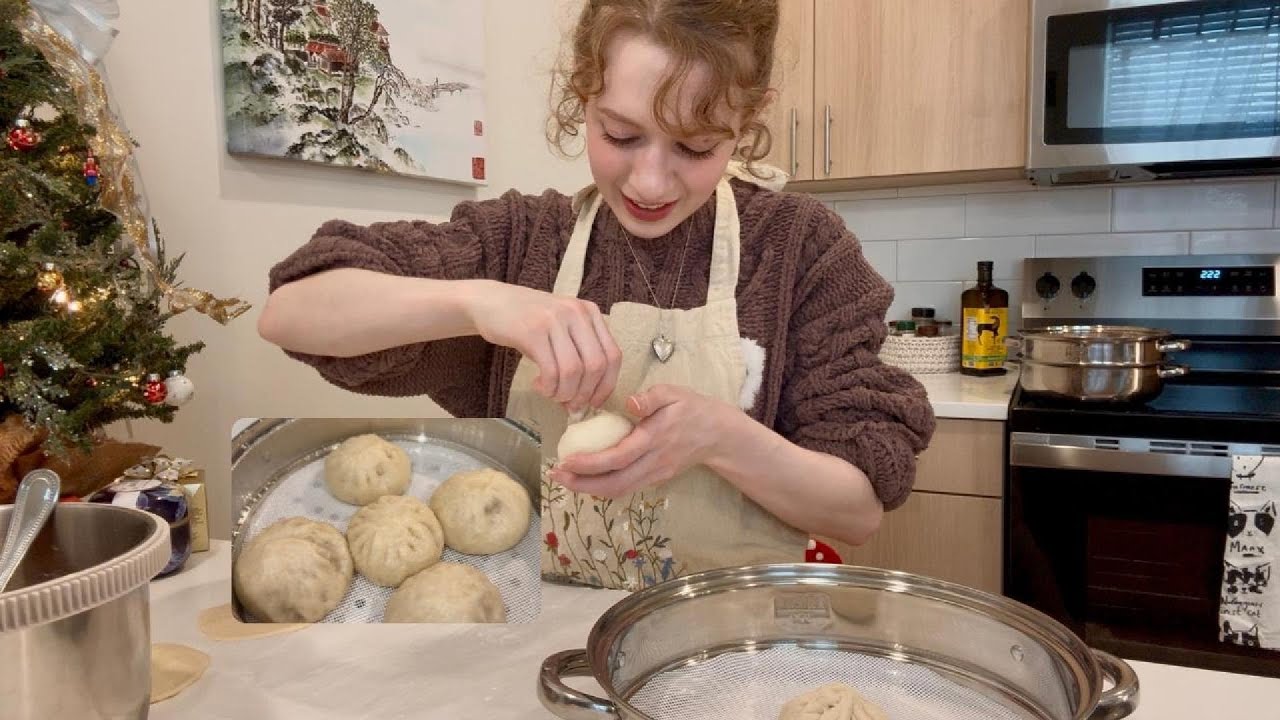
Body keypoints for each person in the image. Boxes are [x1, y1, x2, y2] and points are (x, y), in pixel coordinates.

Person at [259, 0, 936, 590]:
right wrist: (481, 302)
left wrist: (719, 437)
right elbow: (291, 312)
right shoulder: (525, 238)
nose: (650, 181)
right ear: (582, 96)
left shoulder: (798, 250)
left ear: (746, 118)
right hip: (536, 644)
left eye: (695, 147)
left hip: (730, 638)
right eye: (621, 135)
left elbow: (857, 512)